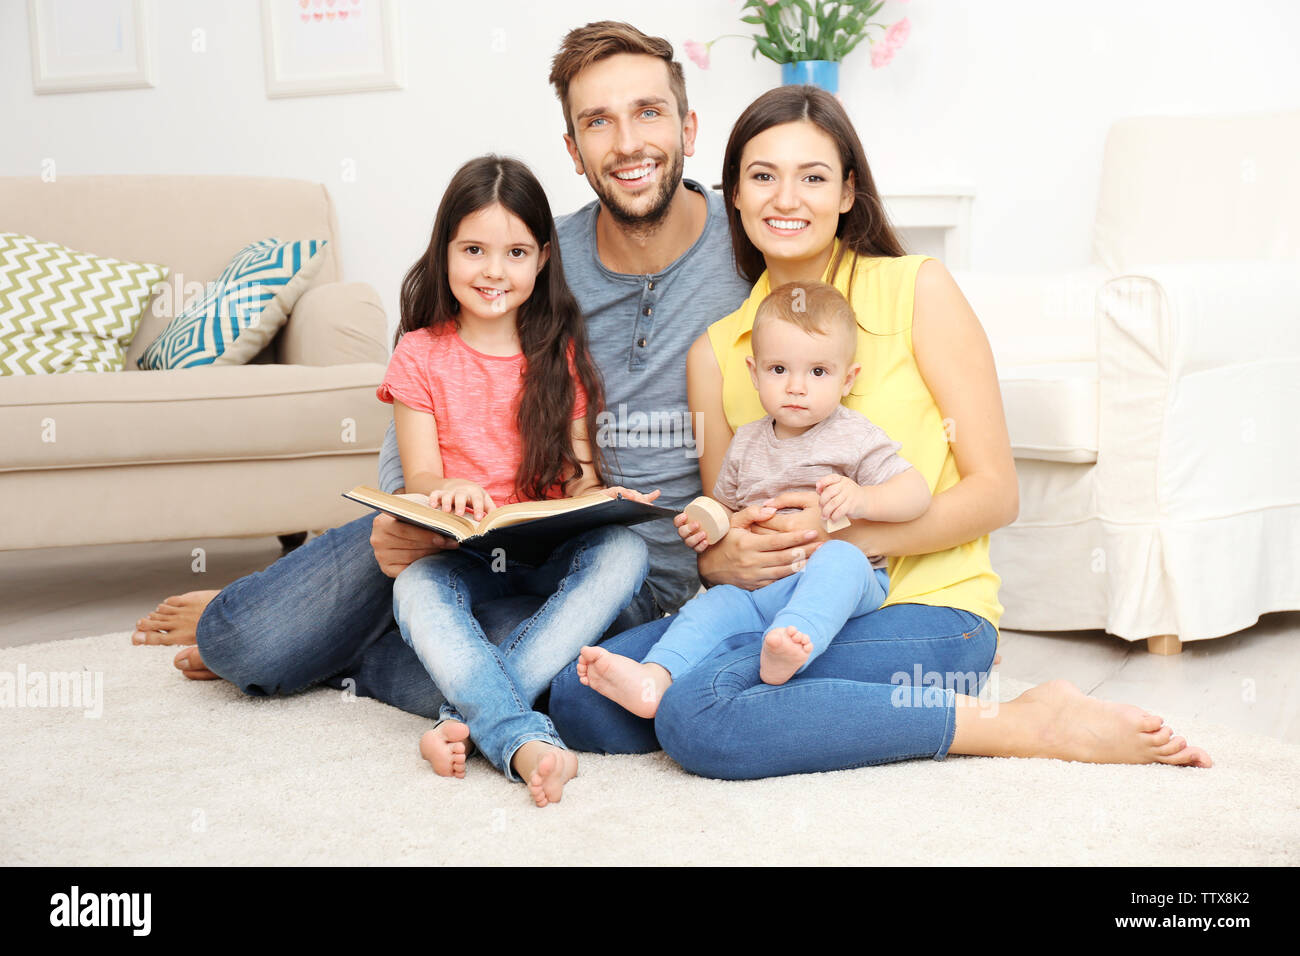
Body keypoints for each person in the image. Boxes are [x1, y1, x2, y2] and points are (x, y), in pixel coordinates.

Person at [545, 84, 1213, 774]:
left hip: (927, 610)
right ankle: (809, 708)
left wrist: (836, 532)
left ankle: (1021, 722)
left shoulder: (917, 289)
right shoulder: (716, 353)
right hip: (778, 608)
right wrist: (720, 556)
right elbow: (728, 535)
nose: (785, 198)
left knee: (698, 714)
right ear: (733, 197)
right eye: (762, 176)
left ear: (846, 193)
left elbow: (996, 495)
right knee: (580, 695)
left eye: (813, 177)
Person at [128, 24, 757, 743]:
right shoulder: (531, 255)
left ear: (689, 126)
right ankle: (346, 629)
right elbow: (437, 378)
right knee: (241, 640)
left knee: (567, 681)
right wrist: (406, 513)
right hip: (460, 535)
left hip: (612, 576)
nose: (627, 142)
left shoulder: (750, 252)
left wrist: (738, 531)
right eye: (597, 121)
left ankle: (361, 652)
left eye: (648, 112)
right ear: (573, 150)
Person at [380, 154, 661, 805]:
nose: (492, 271)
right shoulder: (421, 352)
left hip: (548, 549)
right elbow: (418, 471)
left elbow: (582, 475)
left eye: (515, 252)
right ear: (444, 251)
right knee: (417, 587)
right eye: (473, 249)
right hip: (467, 553)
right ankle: (520, 738)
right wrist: (443, 488)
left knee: (626, 550)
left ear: (541, 260)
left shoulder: (559, 352)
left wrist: (604, 500)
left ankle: (458, 722)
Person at [577, 279, 929, 715]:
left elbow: (916, 493)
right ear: (754, 372)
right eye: (779, 370)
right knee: (710, 608)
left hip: (835, 581)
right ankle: (655, 679)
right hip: (758, 587)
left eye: (818, 372)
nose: (796, 387)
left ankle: (794, 641)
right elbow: (726, 507)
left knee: (842, 560)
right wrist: (704, 521)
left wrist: (862, 499)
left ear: (847, 379)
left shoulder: (854, 436)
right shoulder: (746, 442)